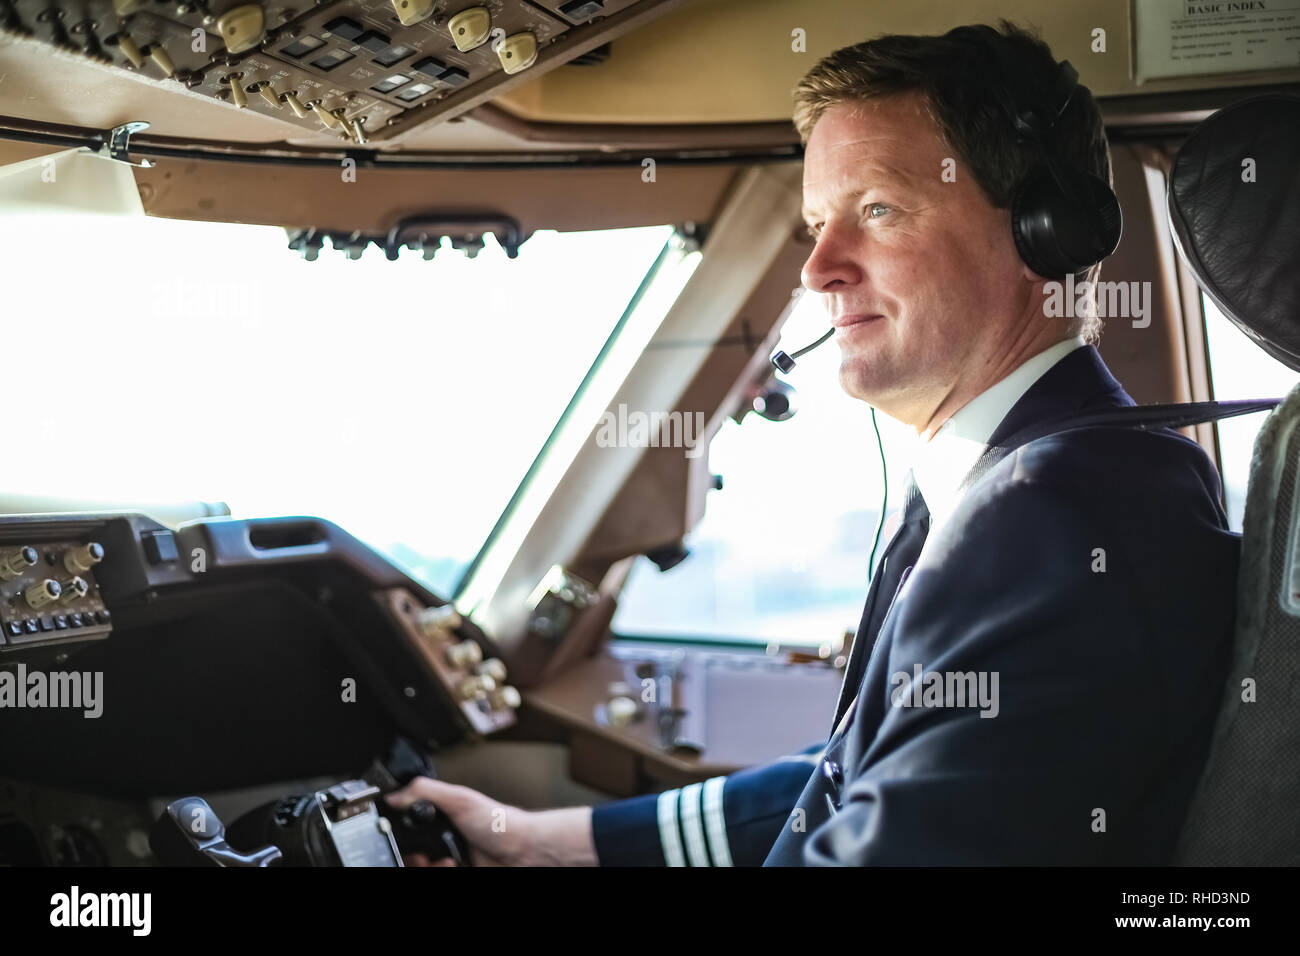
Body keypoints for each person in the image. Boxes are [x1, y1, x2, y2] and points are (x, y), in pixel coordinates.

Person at [387, 22, 1237, 866]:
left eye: (877, 210)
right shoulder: (1011, 486)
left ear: (1043, 233)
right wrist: (539, 842)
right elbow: (848, 781)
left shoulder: (1053, 518)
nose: (817, 267)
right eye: (816, 222)